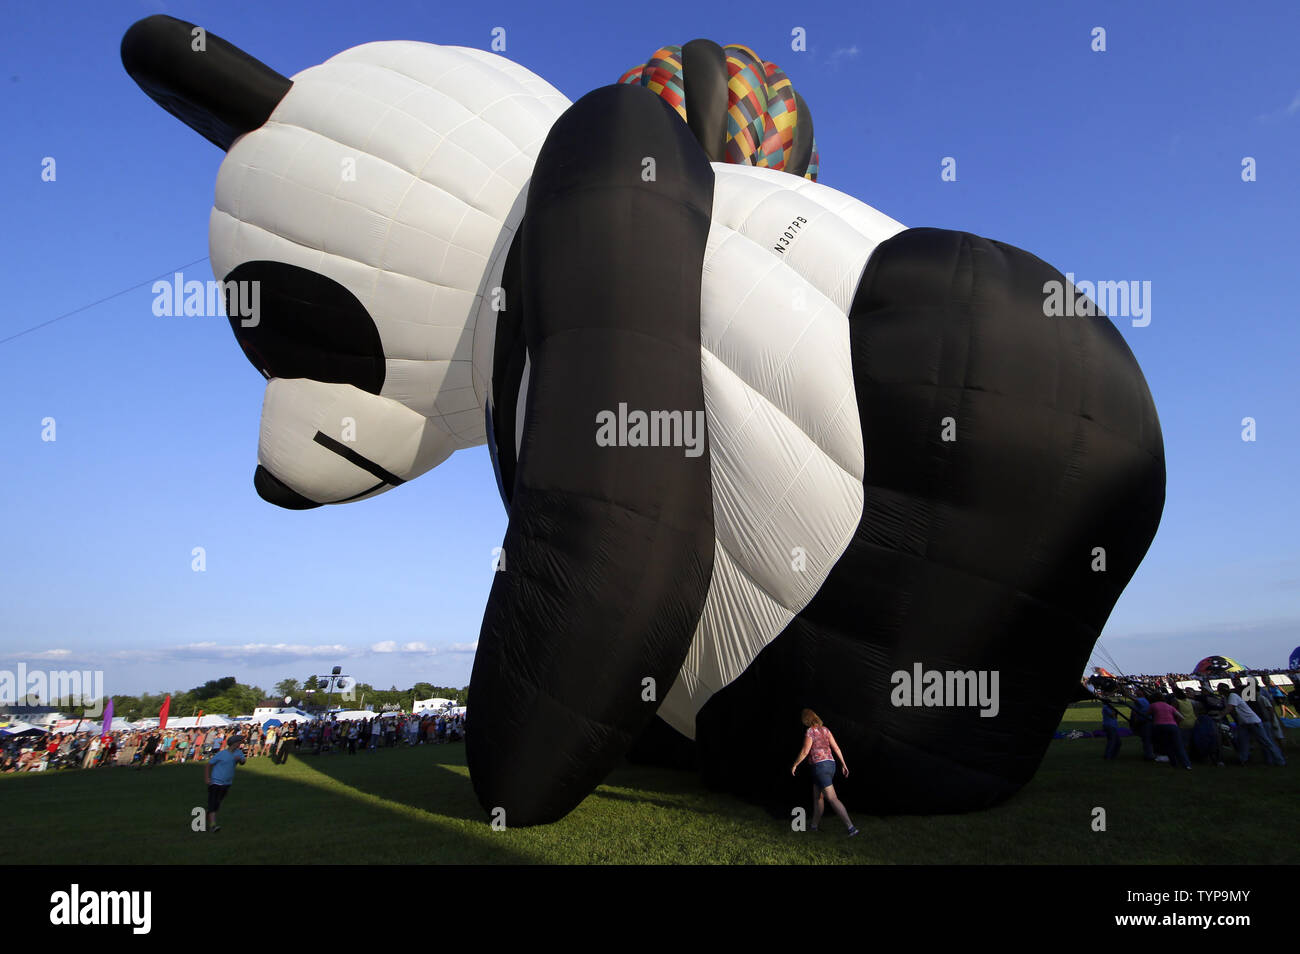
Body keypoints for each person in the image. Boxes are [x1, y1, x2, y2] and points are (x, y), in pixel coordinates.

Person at [790, 709, 858, 837]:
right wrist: (843, 764)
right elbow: (836, 748)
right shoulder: (825, 730)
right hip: (830, 765)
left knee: (832, 798)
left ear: (806, 720)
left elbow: (805, 752)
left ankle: (851, 828)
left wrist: (795, 764)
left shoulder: (810, 731)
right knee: (818, 797)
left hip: (820, 767)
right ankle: (814, 827)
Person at [1220, 683, 1285, 766]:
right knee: (1243, 743)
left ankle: (1280, 761)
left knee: (1266, 742)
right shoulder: (1228, 698)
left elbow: (1229, 708)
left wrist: (1220, 716)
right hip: (1244, 723)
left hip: (1252, 722)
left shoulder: (1232, 696)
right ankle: (1243, 760)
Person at [204, 734, 247, 832]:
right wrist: (207, 778)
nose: (240, 744)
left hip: (227, 783)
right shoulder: (221, 754)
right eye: (239, 743)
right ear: (234, 743)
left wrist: (240, 760)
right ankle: (213, 826)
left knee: (217, 803)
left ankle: (207, 815)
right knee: (213, 803)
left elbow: (243, 761)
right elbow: (208, 765)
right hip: (215, 782)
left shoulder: (239, 753)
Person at [1149, 695, 1191, 769]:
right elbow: (1181, 717)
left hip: (1159, 726)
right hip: (1172, 726)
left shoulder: (1153, 705)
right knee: (1179, 745)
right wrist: (1175, 722)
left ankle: (1173, 762)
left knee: (1167, 745)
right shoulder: (1169, 706)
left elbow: (1147, 714)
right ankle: (1187, 764)